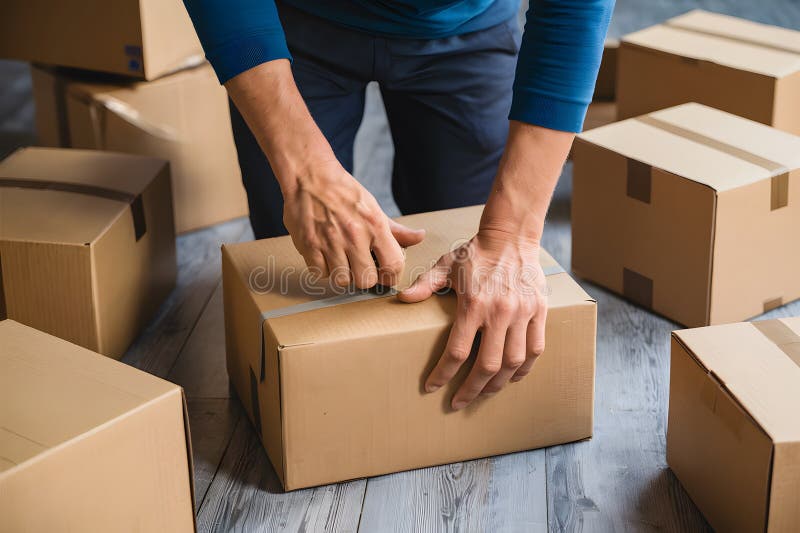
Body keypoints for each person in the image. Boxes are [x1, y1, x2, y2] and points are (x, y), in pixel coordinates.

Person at [184, 0, 613, 410]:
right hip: (292, 26)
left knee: (476, 285)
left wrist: (511, 237)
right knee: (297, 262)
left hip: (465, 24)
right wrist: (304, 173)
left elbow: (576, 8)